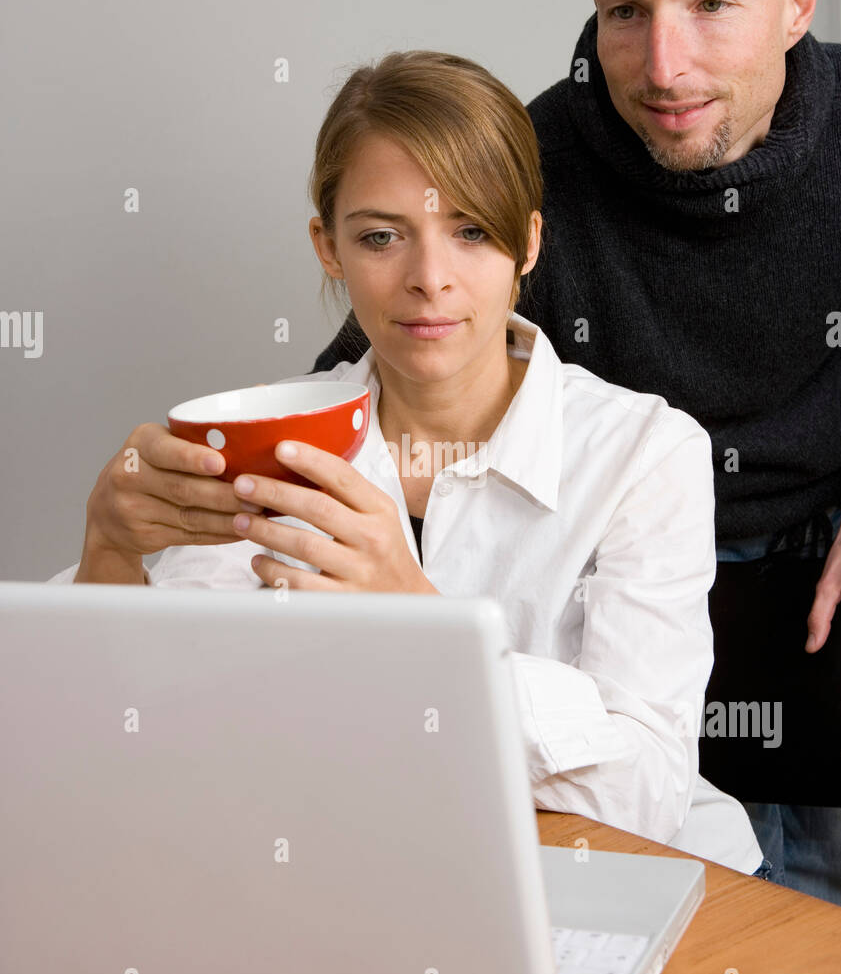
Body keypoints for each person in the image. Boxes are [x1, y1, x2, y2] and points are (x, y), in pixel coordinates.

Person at [310, 0, 841, 905]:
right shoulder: (541, 156)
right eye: (624, 10)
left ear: (796, 3)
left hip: (806, 575)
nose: (661, 68)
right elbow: (386, 353)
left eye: (710, 5)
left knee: (786, 950)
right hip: (600, 579)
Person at [47, 48, 764, 877]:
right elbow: (138, 742)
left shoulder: (645, 453)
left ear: (529, 243)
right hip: (377, 884)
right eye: (383, 237)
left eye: (470, 232)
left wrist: (423, 621)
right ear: (328, 248)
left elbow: (647, 793)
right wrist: (109, 550)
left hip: (638, 888)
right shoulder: (267, 437)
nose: (430, 280)